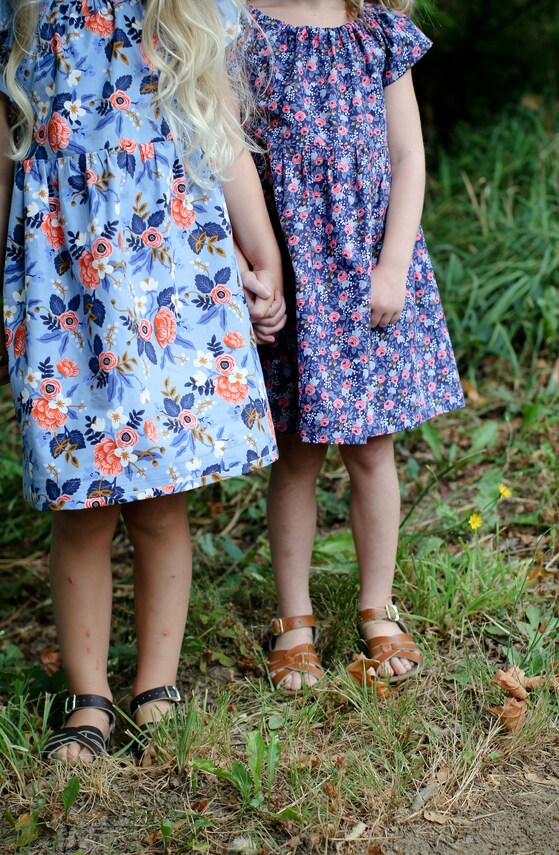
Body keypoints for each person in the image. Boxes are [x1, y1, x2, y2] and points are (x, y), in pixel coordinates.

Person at [0, 0, 285, 761]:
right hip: (64, 289)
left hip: (168, 277)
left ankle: (156, 687)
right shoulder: (27, 12)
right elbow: (7, 149)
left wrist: (263, 257)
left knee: (162, 502)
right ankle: (86, 694)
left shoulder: (186, 11)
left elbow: (223, 141)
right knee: (80, 506)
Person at [241, 0, 465, 692]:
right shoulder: (242, 32)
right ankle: (294, 620)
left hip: (366, 270)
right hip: (297, 270)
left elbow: (408, 153)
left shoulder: (376, 29)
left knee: (372, 448)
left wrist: (394, 262)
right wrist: (256, 265)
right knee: (298, 451)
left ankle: (378, 603)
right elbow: (230, 157)